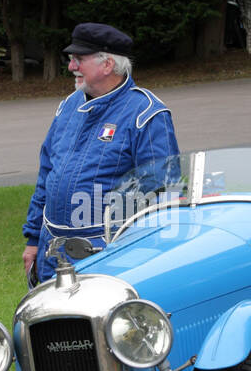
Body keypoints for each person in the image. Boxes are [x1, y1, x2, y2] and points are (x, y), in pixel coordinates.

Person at [23, 23, 179, 282]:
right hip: (51, 254)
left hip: (107, 259)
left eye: (78, 60)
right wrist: (33, 239)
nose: (71, 66)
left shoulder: (146, 114)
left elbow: (162, 196)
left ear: (107, 65)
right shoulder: (69, 106)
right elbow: (46, 176)